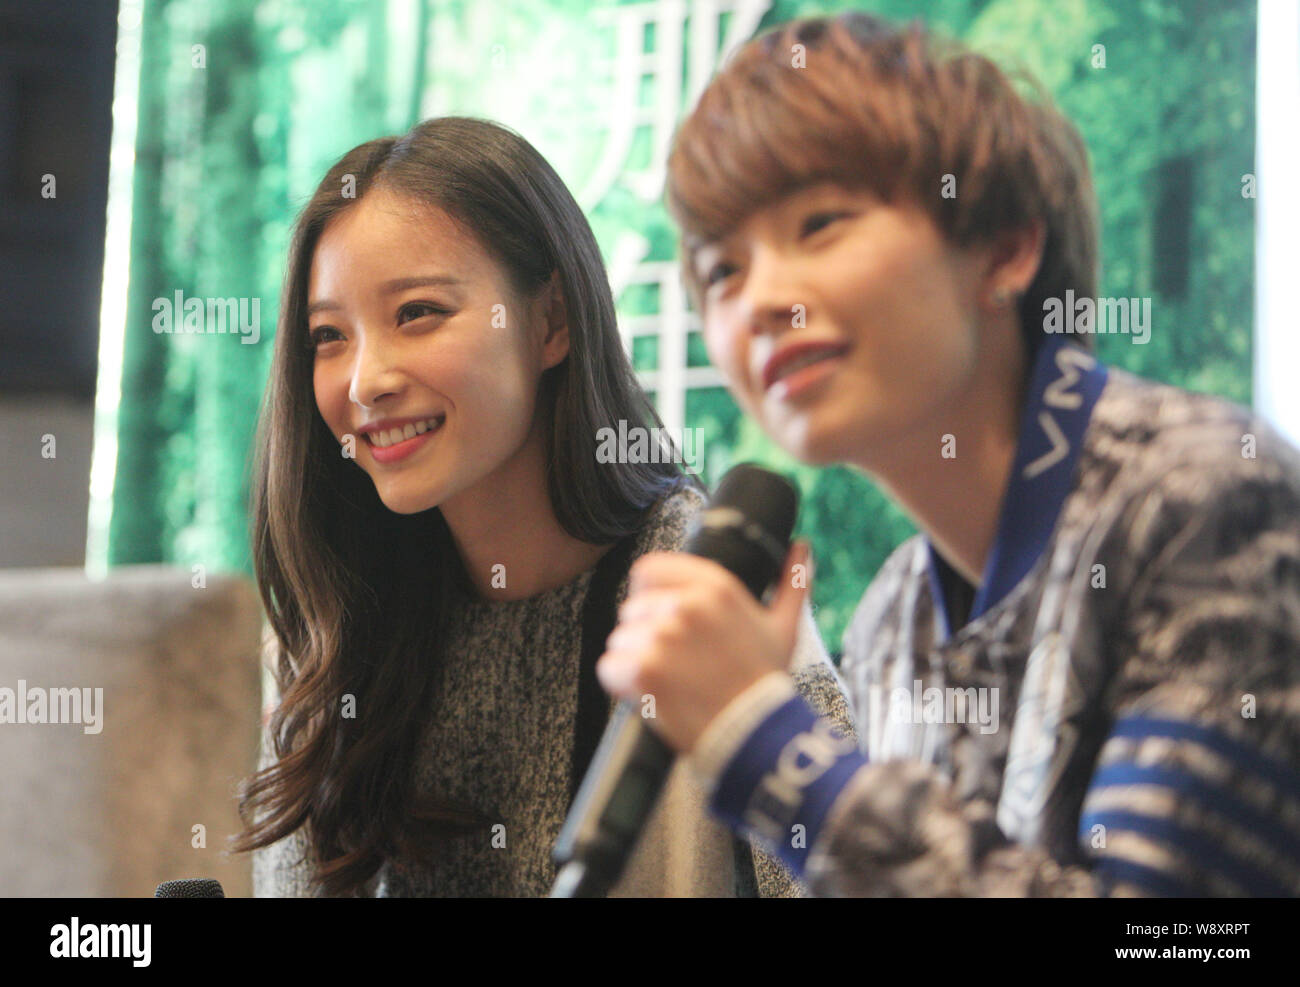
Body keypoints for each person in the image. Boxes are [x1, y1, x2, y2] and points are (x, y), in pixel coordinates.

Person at [596, 12, 1300, 896]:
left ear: (1003, 249)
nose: (764, 299)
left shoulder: (1200, 497)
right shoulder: (896, 610)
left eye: (820, 223)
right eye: (722, 270)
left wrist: (771, 747)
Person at [229, 115, 852, 897]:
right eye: (329, 335)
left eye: (417, 312)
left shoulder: (696, 587)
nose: (366, 381)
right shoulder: (333, 613)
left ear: (550, 320)